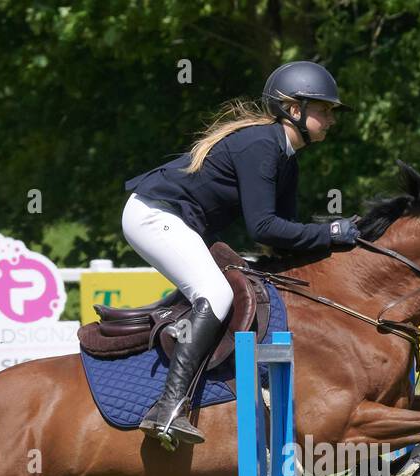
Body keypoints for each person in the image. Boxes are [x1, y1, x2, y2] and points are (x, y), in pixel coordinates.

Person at [122, 60, 361, 448]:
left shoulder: (285, 157)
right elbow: (264, 228)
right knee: (216, 295)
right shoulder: (262, 145)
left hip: (180, 221)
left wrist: (335, 239)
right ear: (293, 109)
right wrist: (331, 231)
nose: (331, 119)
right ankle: (167, 408)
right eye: (324, 109)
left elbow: (283, 236)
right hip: (152, 214)